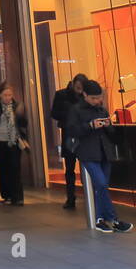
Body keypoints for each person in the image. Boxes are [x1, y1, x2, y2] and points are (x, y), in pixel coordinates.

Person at [64, 80, 132, 234]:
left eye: (99, 98)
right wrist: (90, 126)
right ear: (85, 95)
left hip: (104, 152)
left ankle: (101, 219)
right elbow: (72, 131)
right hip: (87, 152)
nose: (97, 101)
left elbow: (111, 133)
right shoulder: (76, 110)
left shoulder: (101, 110)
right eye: (94, 98)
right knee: (101, 184)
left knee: (103, 187)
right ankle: (112, 219)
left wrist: (108, 125)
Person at [0, 84, 29, 205]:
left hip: (14, 142)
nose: (8, 97)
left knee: (15, 168)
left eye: (10, 95)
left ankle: (18, 197)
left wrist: (19, 115)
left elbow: (24, 124)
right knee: (4, 168)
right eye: (5, 95)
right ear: (0, 95)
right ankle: (7, 194)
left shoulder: (17, 106)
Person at [50, 73, 86, 210]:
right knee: (69, 168)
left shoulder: (86, 96)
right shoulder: (61, 95)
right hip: (69, 134)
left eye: (81, 88)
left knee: (86, 165)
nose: (79, 90)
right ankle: (71, 197)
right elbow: (54, 113)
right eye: (77, 87)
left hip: (83, 134)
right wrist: (69, 115)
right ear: (73, 84)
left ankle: (88, 192)